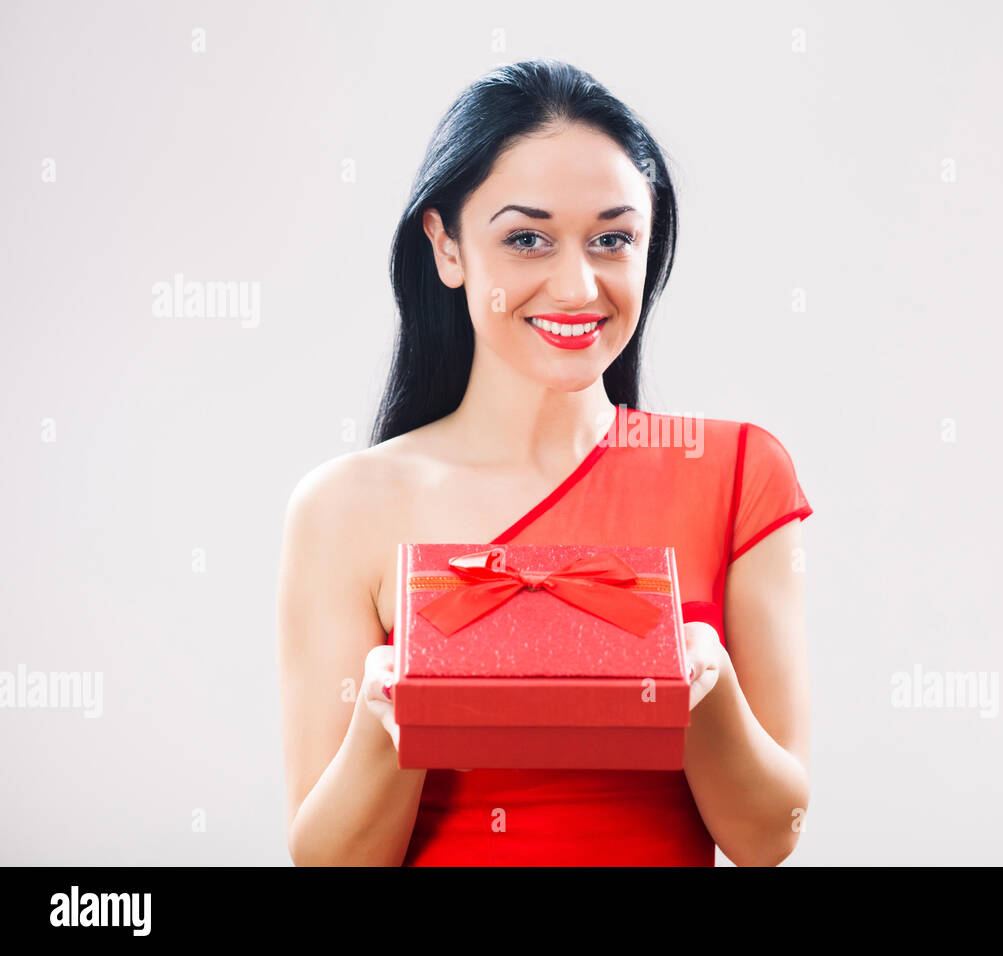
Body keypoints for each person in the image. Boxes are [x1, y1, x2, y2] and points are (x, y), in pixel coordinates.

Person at [276, 58, 813, 866]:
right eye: (527, 238)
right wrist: (382, 723)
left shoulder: (738, 472)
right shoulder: (344, 507)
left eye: (612, 239)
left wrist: (711, 696)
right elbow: (334, 862)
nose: (577, 284)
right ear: (447, 248)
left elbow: (771, 838)